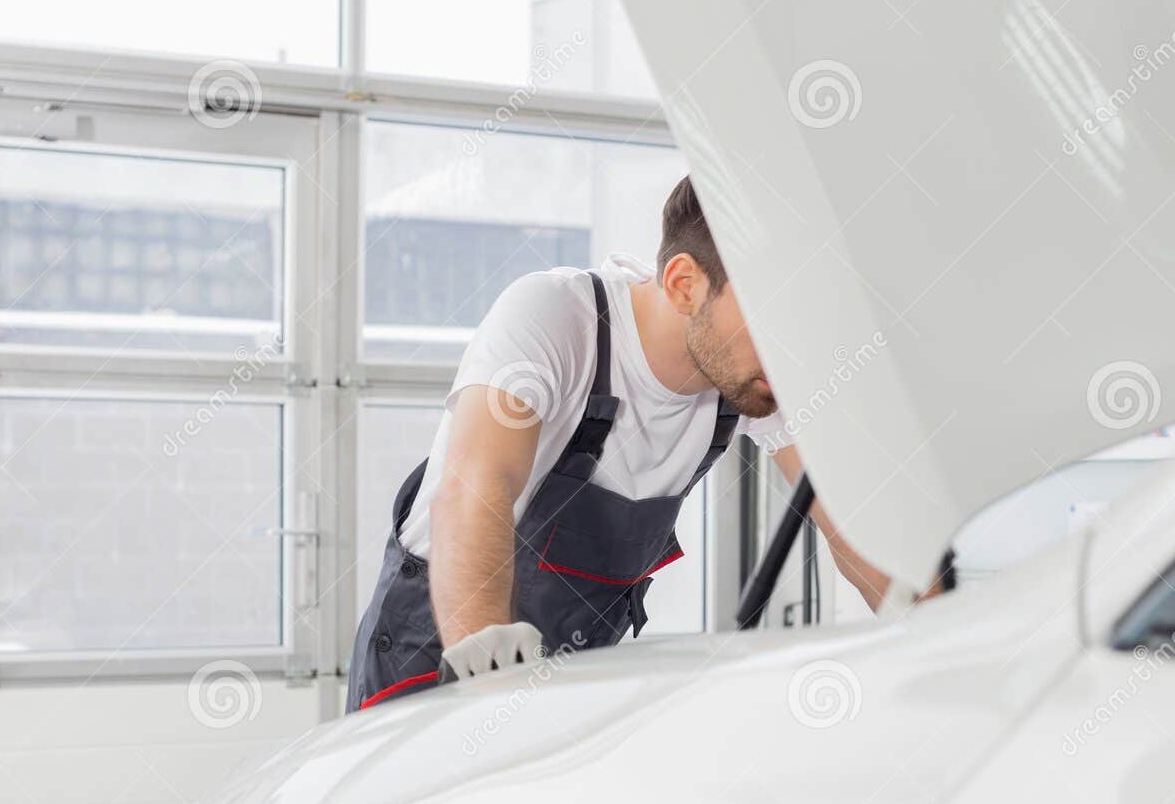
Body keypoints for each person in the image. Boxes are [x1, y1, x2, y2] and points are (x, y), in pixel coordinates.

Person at [347, 175, 897, 713]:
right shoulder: (557, 315)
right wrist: (484, 655)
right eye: (772, 319)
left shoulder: (753, 375)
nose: (790, 350)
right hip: (435, 656)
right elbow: (476, 488)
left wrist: (931, 627)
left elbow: (853, 530)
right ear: (685, 284)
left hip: (567, 682)